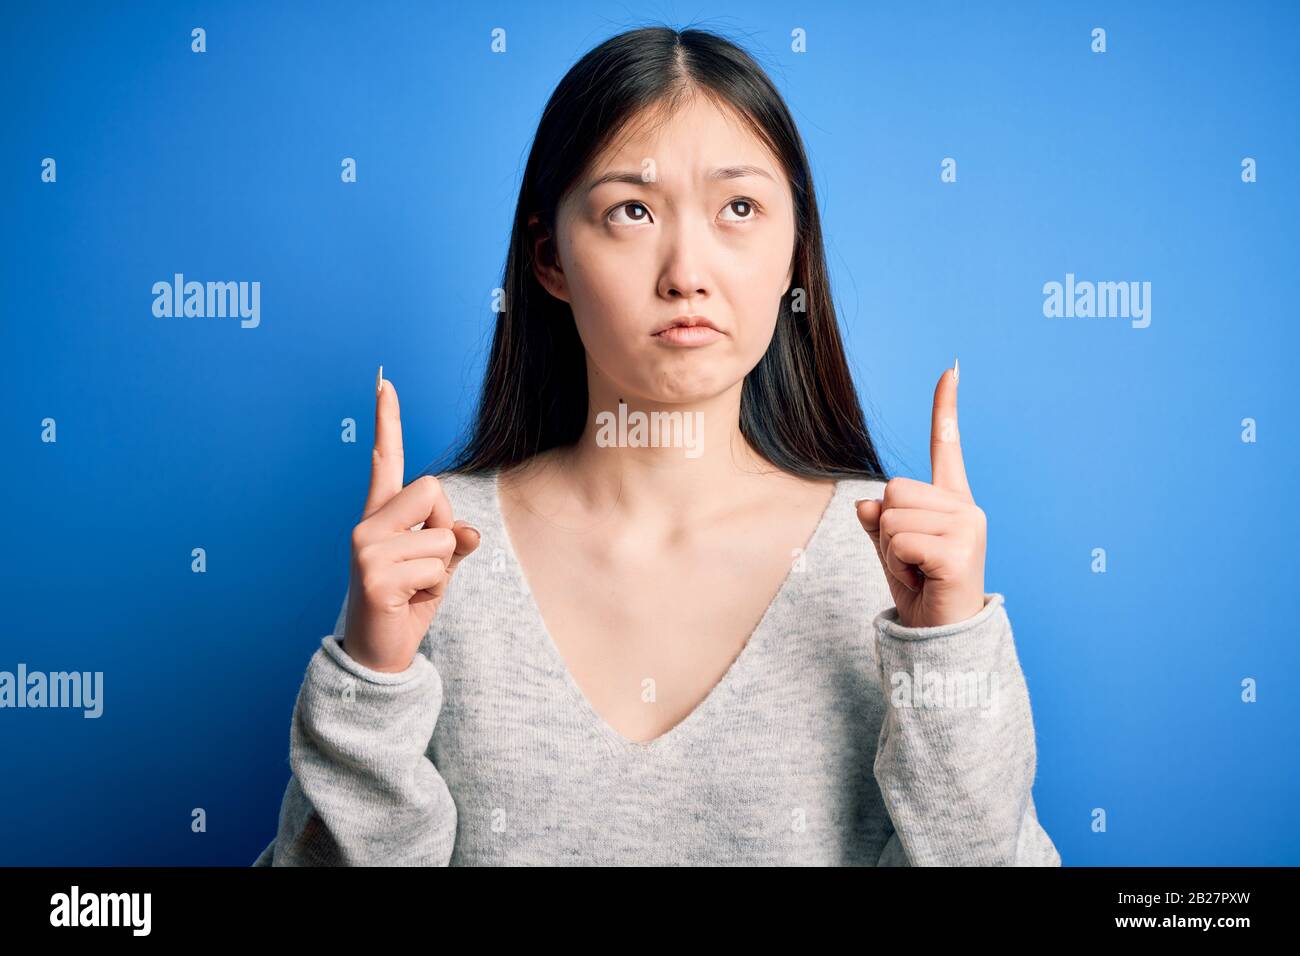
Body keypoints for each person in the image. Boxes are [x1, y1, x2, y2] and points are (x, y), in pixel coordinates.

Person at [253, 25, 1060, 866]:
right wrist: (370, 680)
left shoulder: (891, 571)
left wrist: (949, 655)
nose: (686, 271)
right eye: (630, 210)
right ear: (550, 259)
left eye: (738, 209)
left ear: (795, 255)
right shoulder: (430, 558)